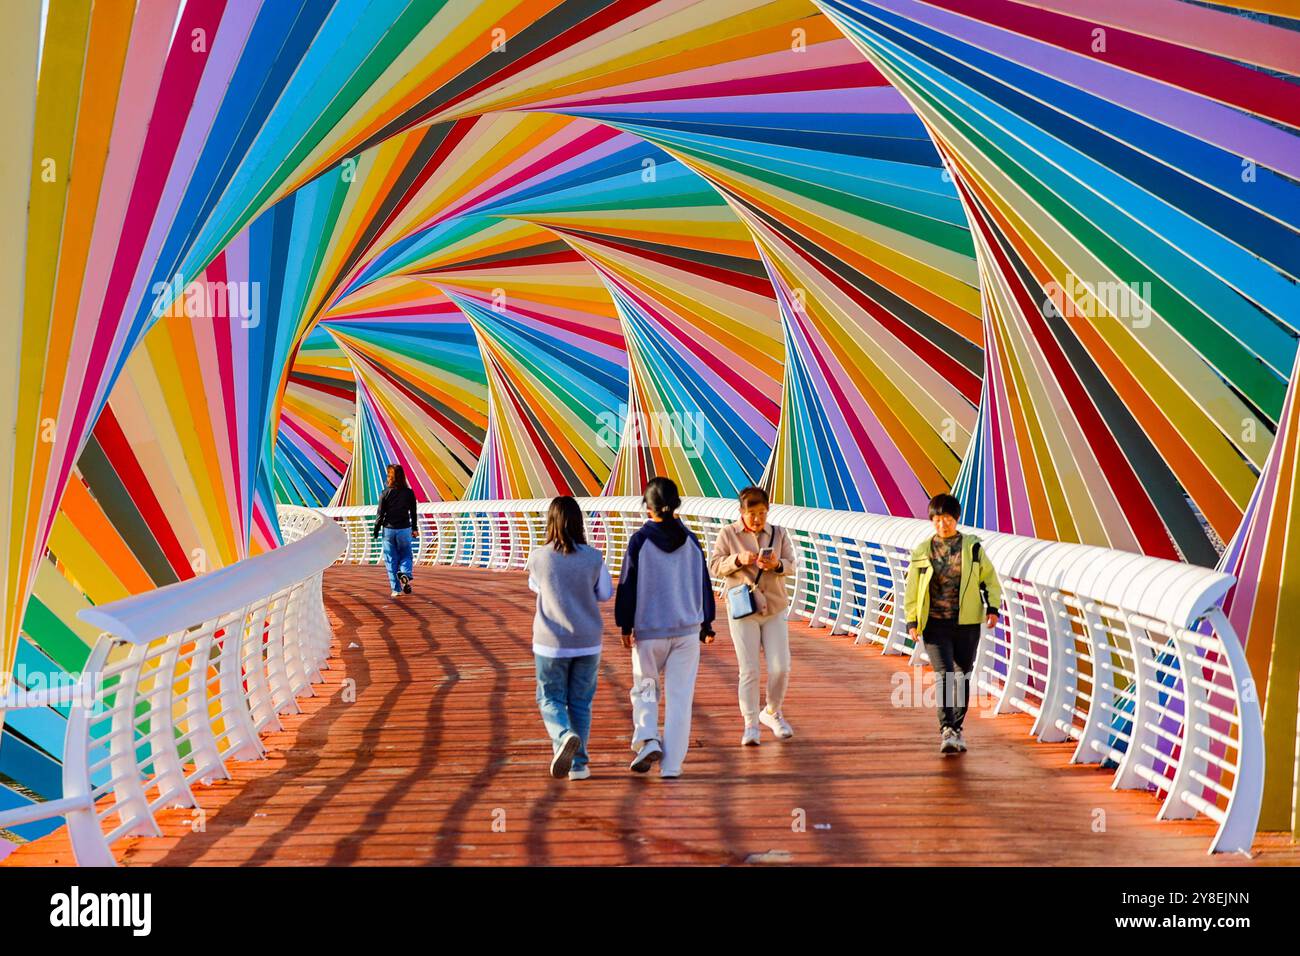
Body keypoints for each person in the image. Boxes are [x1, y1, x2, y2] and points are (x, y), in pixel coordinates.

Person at [614, 477, 715, 778]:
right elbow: (703, 584)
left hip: (650, 630)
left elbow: (627, 584)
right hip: (687, 630)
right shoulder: (692, 541)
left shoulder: (640, 541)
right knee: (680, 697)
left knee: (645, 687)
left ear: (648, 508)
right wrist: (706, 622)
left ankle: (647, 739)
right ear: (677, 505)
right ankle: (671, 766)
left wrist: (624, 624)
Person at [902, 493, 1002, 755]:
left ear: (956, 519)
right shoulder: (923, 551)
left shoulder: (972, 548)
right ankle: (947, 728)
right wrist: (911, 620)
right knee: (944, 673)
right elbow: (912, 588)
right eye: (936, 520)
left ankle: (957, 728)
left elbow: (989, 580)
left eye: (946, 519)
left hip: (966, 623)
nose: (942, 524)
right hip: (934, 623)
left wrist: (992, 608)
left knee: (962, 674)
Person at [526, 496, 613, 781]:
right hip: (588, 640)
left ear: (550, 522)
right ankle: (579, 766)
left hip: (551, 641)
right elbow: (604, 594)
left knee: (549, 697)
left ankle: (563, 735)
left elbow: (535, 587)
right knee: (580, 702)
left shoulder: (539, 557)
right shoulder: (594, 556)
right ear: (579, 523)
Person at [709, 486, 797, 745]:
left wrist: (777, 565)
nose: (758, 519)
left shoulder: (778, 534)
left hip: (774, 607)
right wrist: (738, 559)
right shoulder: (727, 534)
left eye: (762, 513)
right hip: (743, 609)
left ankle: (772, 711)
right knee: (748, 670)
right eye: (752, 513)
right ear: (741, 512)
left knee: (781, 667)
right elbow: (714, 566)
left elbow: (791, 564)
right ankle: (750, 725)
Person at [371, 464, 419, 598]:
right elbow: (413, 513)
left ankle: (396, 589)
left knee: (391, 559)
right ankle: (405, 574)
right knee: (406, 554)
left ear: (390, 477)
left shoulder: (385, 493)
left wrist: (376, 530)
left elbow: (380, 515)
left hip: (389, 530)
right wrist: (414, 528)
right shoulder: (409, 493)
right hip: (404, 528)